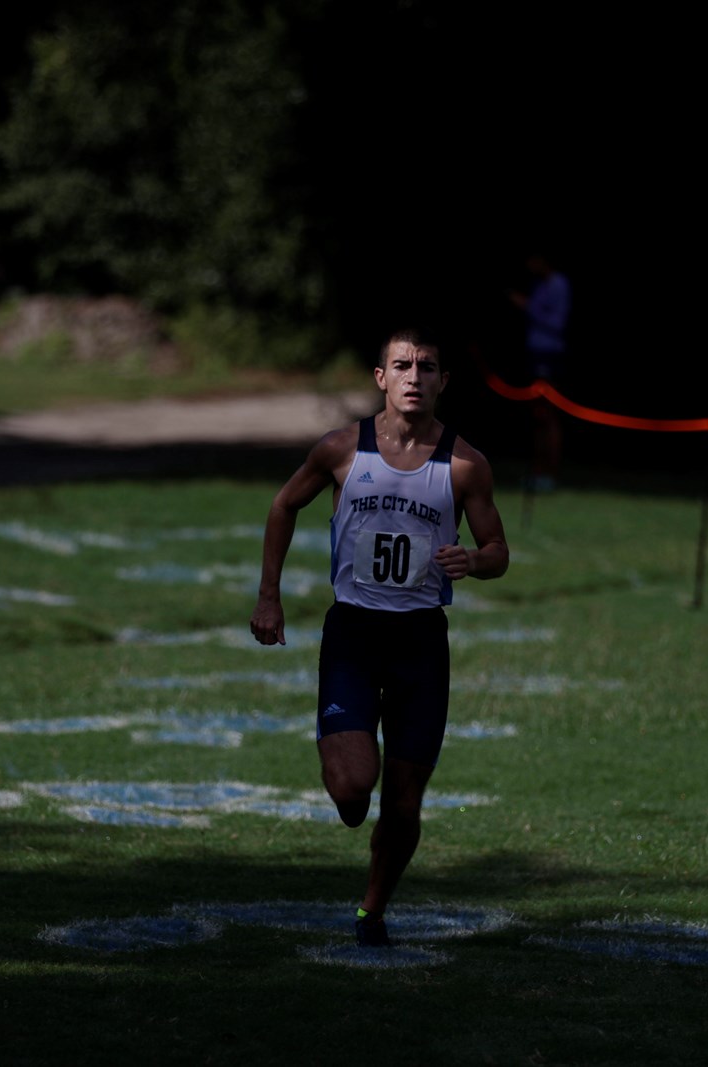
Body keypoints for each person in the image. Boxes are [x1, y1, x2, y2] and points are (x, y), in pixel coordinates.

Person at [249, 327, 510, 948]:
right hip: (355, 635)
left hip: (421, 644)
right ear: (381, 377)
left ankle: (372, 911)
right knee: (351, 789)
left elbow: (498, 550)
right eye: (402, 365)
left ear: (444, 381)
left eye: (427, 367)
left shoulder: (465, 464)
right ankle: (346, 782)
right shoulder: (342, 448)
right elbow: (284, 505)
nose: (414, 377)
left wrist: (474, 560)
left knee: (403, 802)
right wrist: (269, 595)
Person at [508, 251, 571, 492]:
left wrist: (527, 306)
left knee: (550, 415)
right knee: (538, 415)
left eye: (534, 260)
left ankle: (550, 474)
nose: (530, 265)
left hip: (550, 355)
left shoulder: (558, 284)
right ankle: (538, 472)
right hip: (535, 354)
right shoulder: (538, 283)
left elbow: (557, 323)